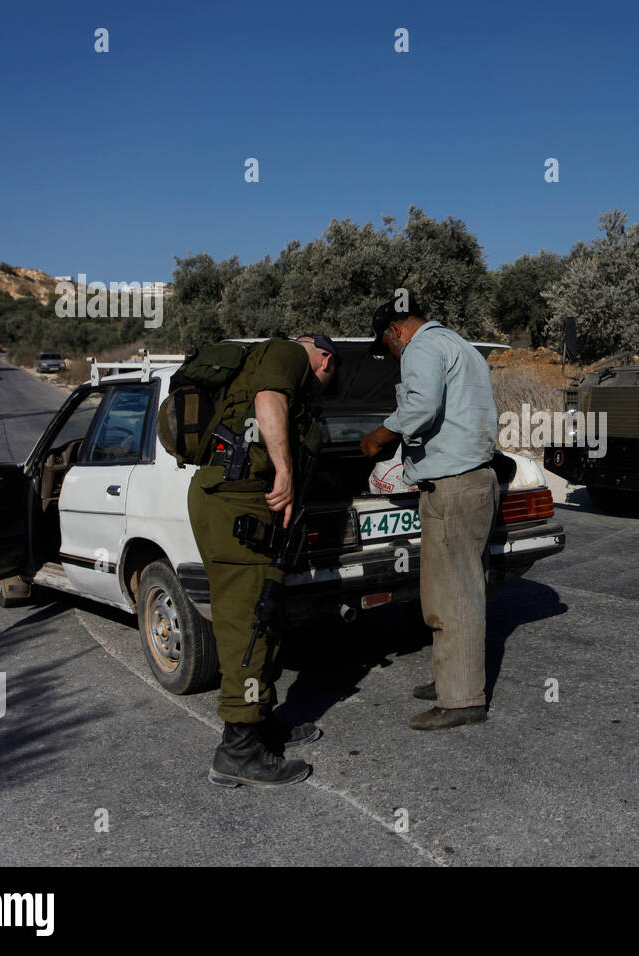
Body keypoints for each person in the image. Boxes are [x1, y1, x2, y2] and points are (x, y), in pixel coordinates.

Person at [189, 334, 339, 787]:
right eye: (329, 380)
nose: (323, 389)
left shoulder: (271, 364)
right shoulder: (288, 352)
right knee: (247, 626)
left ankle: (260, 722)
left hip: (248, 503)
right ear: (325, 358)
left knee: (266, 615)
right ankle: (236, 752)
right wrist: (285, 471)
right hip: (237, 502)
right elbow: (268, 397)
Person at [360, 295, 499, 731]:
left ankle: (459, 701)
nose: (392, 355)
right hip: (476, 480)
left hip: (452, 487)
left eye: (388, 347)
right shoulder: (461, 346)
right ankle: (454, 679)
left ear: (396, 330)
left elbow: (419, 407)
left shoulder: (421, 347)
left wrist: (377, 439)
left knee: (451, 596)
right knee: (465, 589)